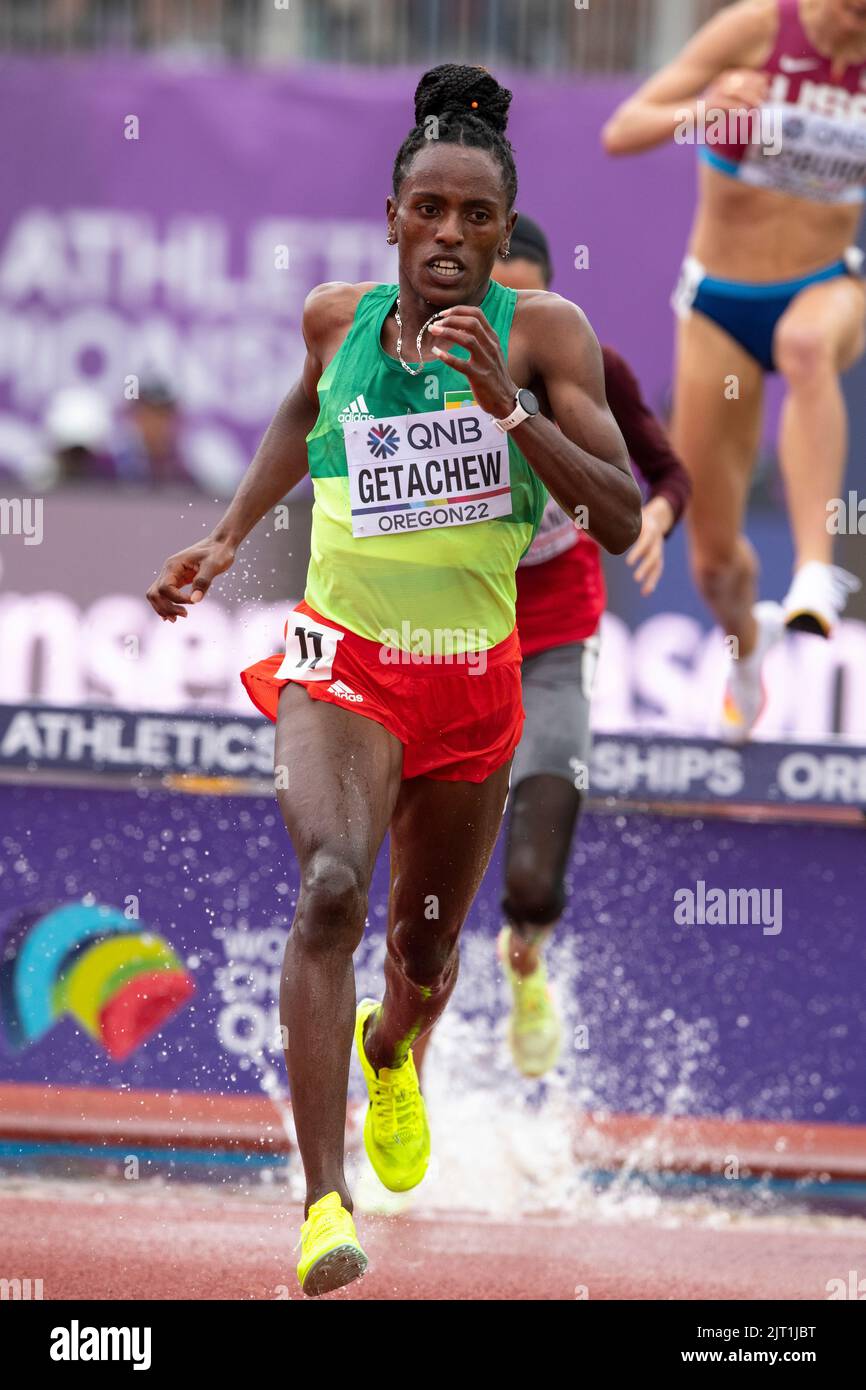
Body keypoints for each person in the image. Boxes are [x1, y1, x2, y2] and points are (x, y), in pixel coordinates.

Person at [147, 63, 641, 1295]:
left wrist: (508, 408)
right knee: (327, 891)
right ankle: (323, 1205)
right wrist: (226, 535)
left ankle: (391, 1050)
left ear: (500, 231)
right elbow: (297, 410)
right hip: (344, 663)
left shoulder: (548, 336)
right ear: (391, 217)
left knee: (422, 958)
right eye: (429, 210)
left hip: (471, 684)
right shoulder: (334, 318)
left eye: (476, 218)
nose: (450, 236)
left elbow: (623, 513)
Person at [404, 214, 691, 1090]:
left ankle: (526, 962)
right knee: (428, 890)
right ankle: (400, 1070)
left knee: (529, 882)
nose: (514, 326)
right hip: (453, 638)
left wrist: (661, 521)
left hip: (555, 639)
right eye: (500, 308)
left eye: (531, 306)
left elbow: (663, 473)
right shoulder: (421, 366)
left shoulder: (585, 364)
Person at [603, 0, 866, 741]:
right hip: (719, 303)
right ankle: (747, 654)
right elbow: (623, 129)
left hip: (827, 285)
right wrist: (704, 111)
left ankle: (817, 572)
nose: (852, 28)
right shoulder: (758, 28)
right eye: (846, 12)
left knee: (807, 346)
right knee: (716, 564)